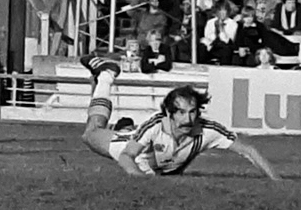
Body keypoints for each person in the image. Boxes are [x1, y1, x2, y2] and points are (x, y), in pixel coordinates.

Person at [78, 53, 279, 179]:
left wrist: (278, 183)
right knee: (91, 133)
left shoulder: (209, 130)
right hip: (127, 146)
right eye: (181, 113)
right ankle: (106, 75)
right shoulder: (156, 125)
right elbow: (126, 156)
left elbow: (249, 151)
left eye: (192, 112)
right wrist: (143, 180)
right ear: (169, 114)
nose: (188, 119)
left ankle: (122, 120)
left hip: (158, 165)